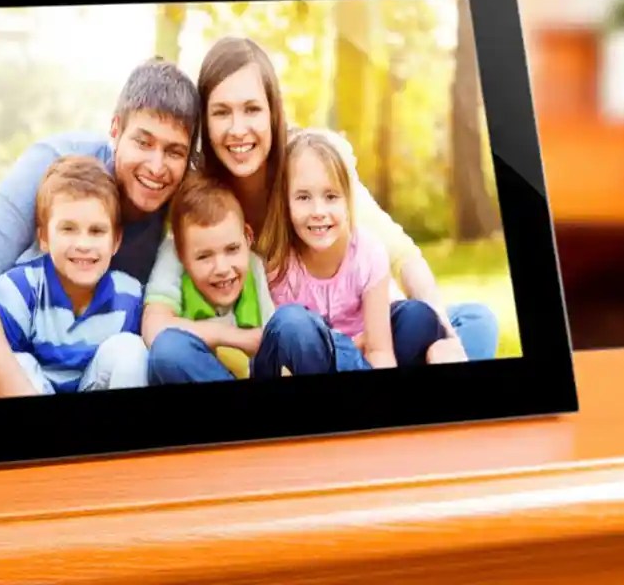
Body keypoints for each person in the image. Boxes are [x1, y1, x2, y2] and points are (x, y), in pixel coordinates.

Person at [143, 36, 498, 370]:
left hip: (356, 337)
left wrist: (447, 339)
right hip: (287, 345)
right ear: (205, 118)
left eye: (252, 109)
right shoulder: (202, 197)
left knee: (475, 321)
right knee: (283, 333)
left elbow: (401, 255)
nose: (238, 129)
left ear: (273, 113)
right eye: (222, 112)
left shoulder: (311, 166)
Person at [0, 58, 200, 401]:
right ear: (116, 129)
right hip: (21, 340)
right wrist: (19, 391)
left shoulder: (185, 207)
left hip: (97, 361)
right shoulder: (58, 166)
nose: (156, 166)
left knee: (131, 350)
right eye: (144, 142)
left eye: (174, 152)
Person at [146, 174, 371, 384]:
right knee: (168, 349)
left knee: (296, 321)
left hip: (261, 370)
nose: (222, 268)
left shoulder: (255, 265)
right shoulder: (175, 267)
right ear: (181, 255)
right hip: (209, 373)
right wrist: (238, 338)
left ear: (247, 237)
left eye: (232, 249)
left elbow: (279, 336)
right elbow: (156, 333)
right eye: (204, 256)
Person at [266, 132, 449, 368]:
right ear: (285, 202)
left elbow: (379, 351)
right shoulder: (279, 266)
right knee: (293, 324)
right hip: (315, 361)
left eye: (331, 196)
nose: (318, 210)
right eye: (303, 197)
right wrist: (349, 345)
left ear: (347, 200)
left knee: (418, 317)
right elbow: (291, 345)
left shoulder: (368, 254)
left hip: (364, 355)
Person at [0, 156, 147, 396]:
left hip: (94, 383)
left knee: (130, 348)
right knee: (16, 362)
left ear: (116, 241)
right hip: (32, 388)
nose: (83, 244)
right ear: (43, 238)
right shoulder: (19, 289)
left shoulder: (130, 295)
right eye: (68, 229)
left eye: (96, 231)